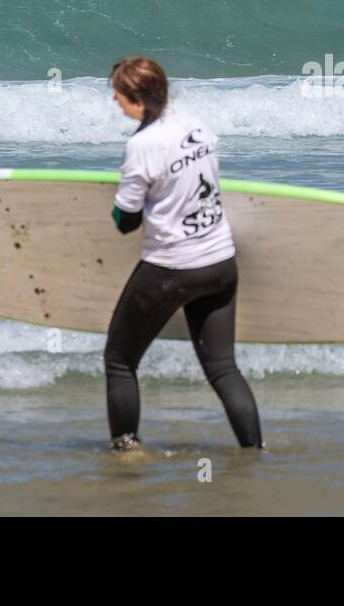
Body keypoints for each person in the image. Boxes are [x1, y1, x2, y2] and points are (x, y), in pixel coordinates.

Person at [104, 55, 262, 451]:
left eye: (119, 94)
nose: (115, 101)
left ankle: (127, 452)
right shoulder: (195, 125)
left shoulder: (141, 146)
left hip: (171, 268)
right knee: (223, 368)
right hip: (220, 263)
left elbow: (127, 222)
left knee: (120, 361)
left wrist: (115, 205)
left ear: (138, 98)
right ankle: (254, 453)